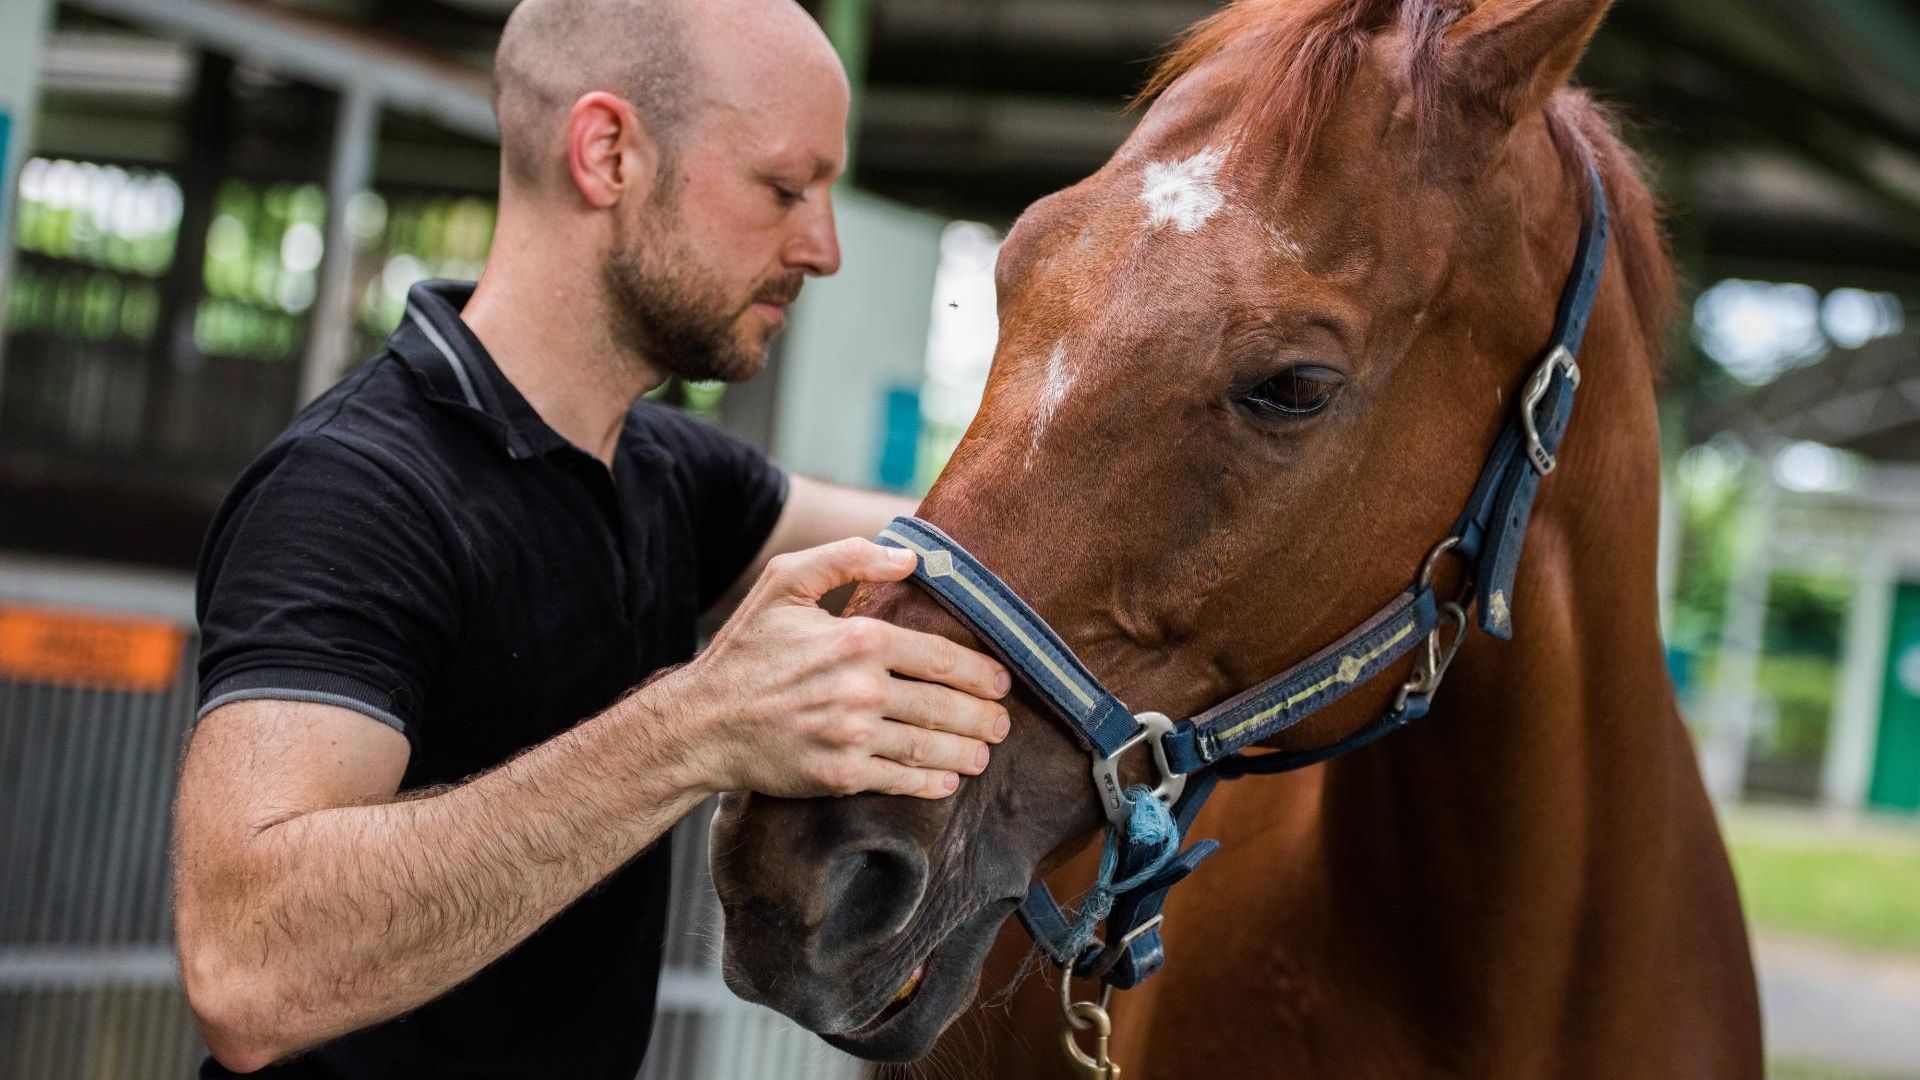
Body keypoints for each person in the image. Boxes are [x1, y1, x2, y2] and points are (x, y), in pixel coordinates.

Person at [170, 0, 1012, 1075]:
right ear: (608, 152)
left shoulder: (663, 470)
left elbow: (952, 549)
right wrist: (694, 726)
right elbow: (248, 971)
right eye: (785, 188)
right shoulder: (356, 489)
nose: (824, 247)